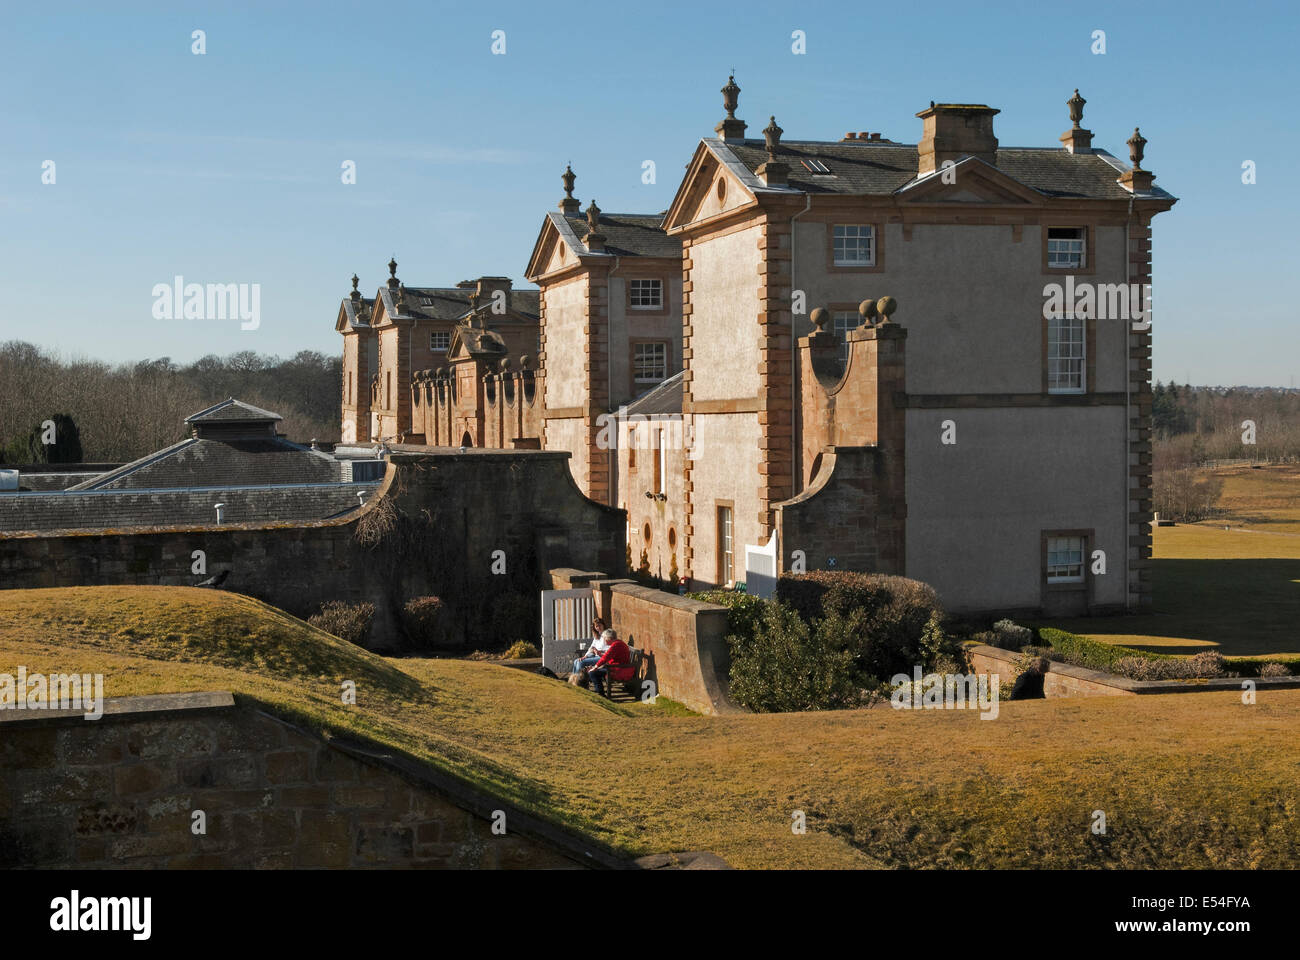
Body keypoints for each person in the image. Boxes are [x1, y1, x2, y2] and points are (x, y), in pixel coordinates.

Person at [588, 629, 634, 698]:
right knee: (595, 671)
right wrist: (600, 656)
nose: (603, 640)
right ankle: (600, 692)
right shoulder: (617, 643)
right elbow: (609, 656)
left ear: (608, 638)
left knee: (593, 673)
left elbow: (607, 657)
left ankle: (601, 694)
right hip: (617, 667)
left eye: (604, 638)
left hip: (619, 670)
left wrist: (596, 667)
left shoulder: (616, 645)